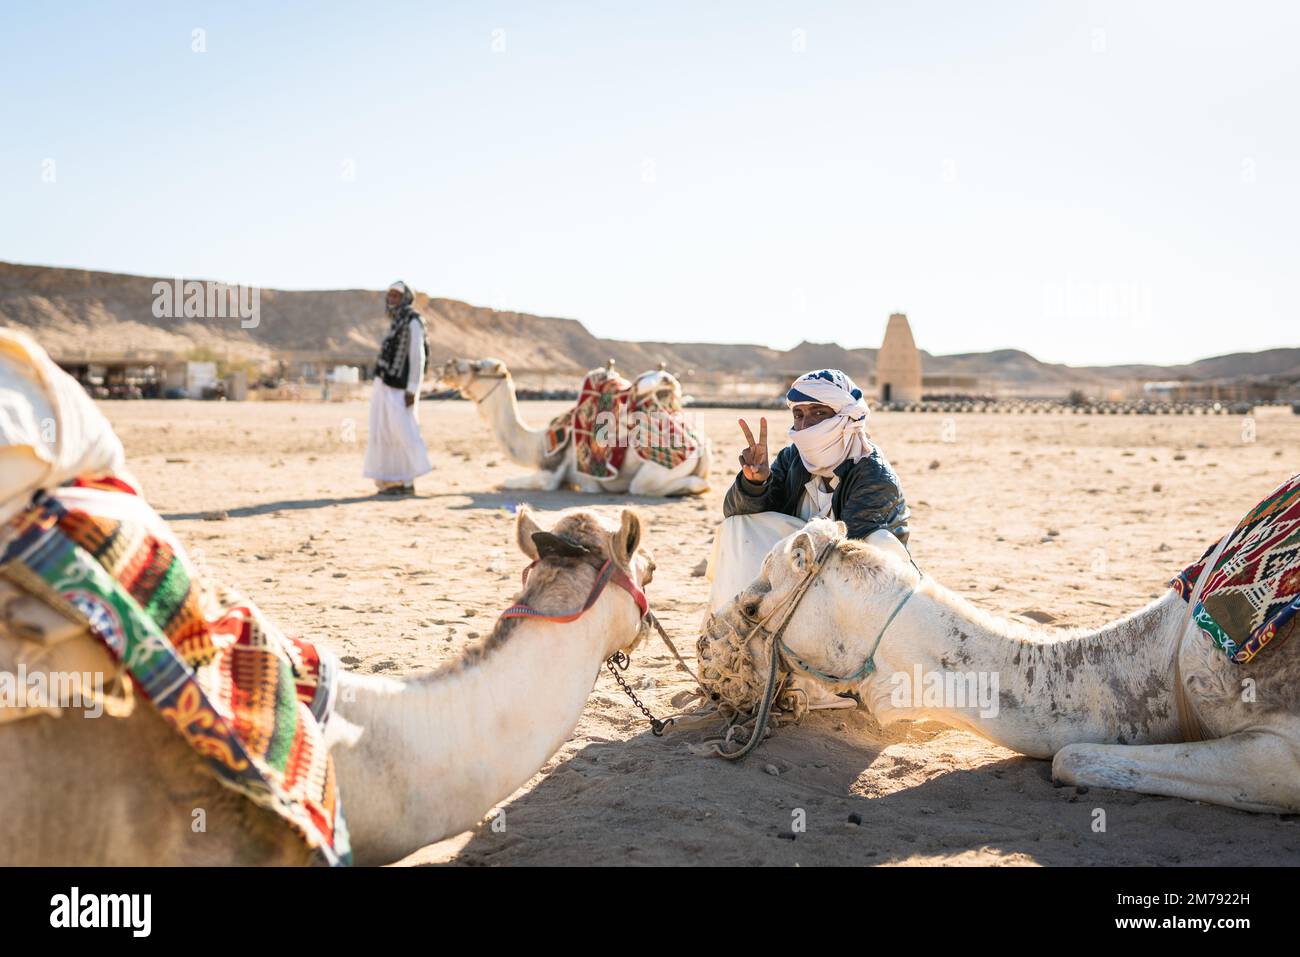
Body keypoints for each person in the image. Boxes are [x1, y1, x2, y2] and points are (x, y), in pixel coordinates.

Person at [707, 368, 910, 614]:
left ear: (846, 416)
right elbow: (740, 515)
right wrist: (755, 482)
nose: (805, 425)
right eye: (798, 414)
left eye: (818, 413)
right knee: (736, 526)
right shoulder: (793, 458)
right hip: (803, 563)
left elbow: (851, 556)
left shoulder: (874, 475)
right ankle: (730, 621)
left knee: (875, 542)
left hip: (854, 586)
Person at [363, 280, 432, 495]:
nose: (392, 299)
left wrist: (413, 389)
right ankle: (390, 481)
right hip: (384, 384)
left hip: (401, 389)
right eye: (390, 296)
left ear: (405, 299)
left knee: (404, 431)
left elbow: (417, 358)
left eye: (396, 296)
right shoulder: (396, 322)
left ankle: (408, 481)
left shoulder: (413, 322)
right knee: (383, 430)